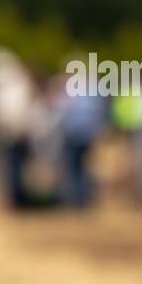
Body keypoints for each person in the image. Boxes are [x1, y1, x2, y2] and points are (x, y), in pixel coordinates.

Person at [0, 48, 38, 209]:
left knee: (9, 168)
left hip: (7, 132)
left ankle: (14, 199)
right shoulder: (21, 84)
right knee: (16, 168)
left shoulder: (2, 87)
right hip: (19, 132)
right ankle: (17, 199)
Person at [53, 67, 107, 208]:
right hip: (87, 133)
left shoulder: (71, 88)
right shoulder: (93, 87)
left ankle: (76, 199)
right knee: (84, 167)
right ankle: (83, 198)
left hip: (73, 133)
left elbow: (61, 109)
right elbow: (99, 111)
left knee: (73, 167)